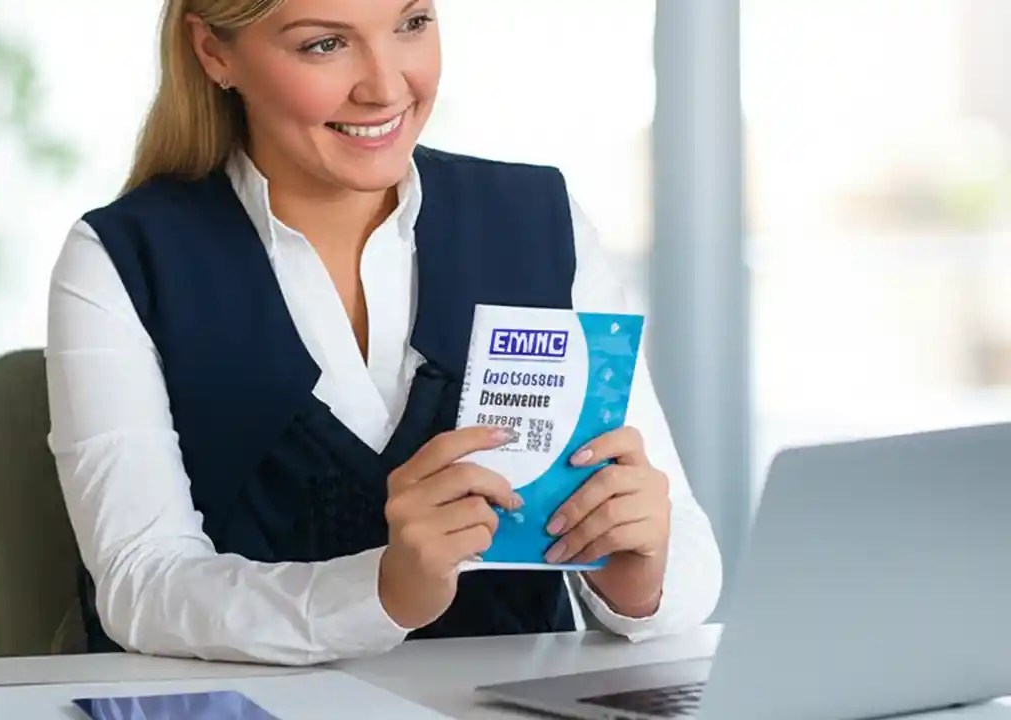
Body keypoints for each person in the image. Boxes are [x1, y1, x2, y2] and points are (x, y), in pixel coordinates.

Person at [46, 0, 722, 667]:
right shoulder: (121, 258)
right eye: (324, 45)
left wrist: (637, 580)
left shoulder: (539, 221)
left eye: (411, 24)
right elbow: (142, 582)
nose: (387, 86)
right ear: (214, 52)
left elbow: (686, 548)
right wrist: (381, 593)